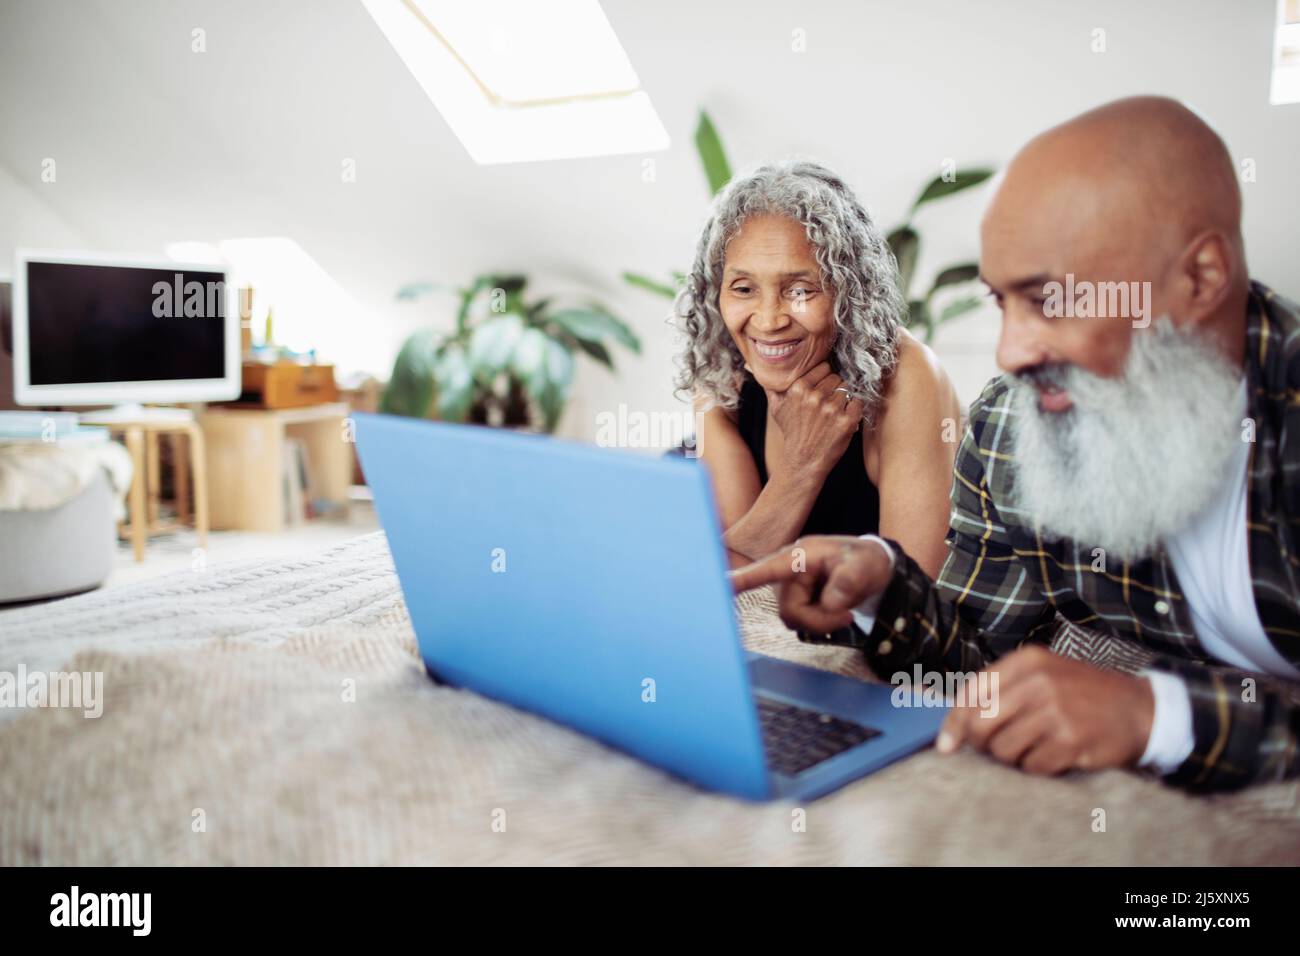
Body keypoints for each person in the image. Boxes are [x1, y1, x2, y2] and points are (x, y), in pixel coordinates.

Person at [731, 97, 1300, 792]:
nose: (1010, 352)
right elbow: (974, 660)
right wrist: (883, 589)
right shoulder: (1008, 430)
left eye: (1050, 301)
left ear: (1201, 278)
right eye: (1003, 302)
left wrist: (1163, 717)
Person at [675, 161, 961, 575]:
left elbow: (914, 597)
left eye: (800, 289)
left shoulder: (907, 374)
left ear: (847, 292)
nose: (769, 320)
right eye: (743, 288)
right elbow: (726, 572)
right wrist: (802, 465)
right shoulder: (721, 376)